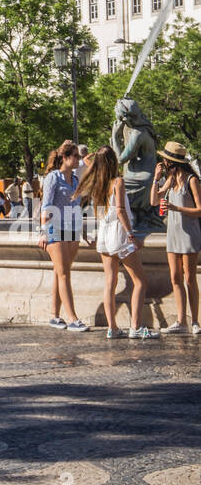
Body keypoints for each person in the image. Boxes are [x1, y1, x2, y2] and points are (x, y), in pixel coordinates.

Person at [76, 145, 157, 340]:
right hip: (119, 235)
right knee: (140, 282)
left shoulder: (97, 183)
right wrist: (131, 235)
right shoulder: (117, 182)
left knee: (109, 283)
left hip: (104, 234)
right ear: (113, 162)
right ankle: (136, 327)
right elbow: (120, 210)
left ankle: (112, 328)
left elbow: (81, 206)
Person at [151, 142, 201, 335]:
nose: (162, 161)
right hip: (172, 234)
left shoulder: (192, 180)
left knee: (189, 278)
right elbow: (154, 201)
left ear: (172, 161)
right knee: (175, 278)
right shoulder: (170, 179)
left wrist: (176, 208)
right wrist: (156, 179)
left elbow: (199, 210)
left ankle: (195, 320)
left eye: (165, 158)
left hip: (189, 234)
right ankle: (180, 321)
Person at [38, 141, 87, 331]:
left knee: (59, 272)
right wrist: (43, 232)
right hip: (54, 229)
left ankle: (54, 316)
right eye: (75, 156)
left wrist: (82, 231)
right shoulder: (53, 178)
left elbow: (77, 208)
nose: (78, 159)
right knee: (64, 274)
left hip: (71, 228)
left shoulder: (75, 180)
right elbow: (46, 205)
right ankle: (73, 318)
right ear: (65, 158)